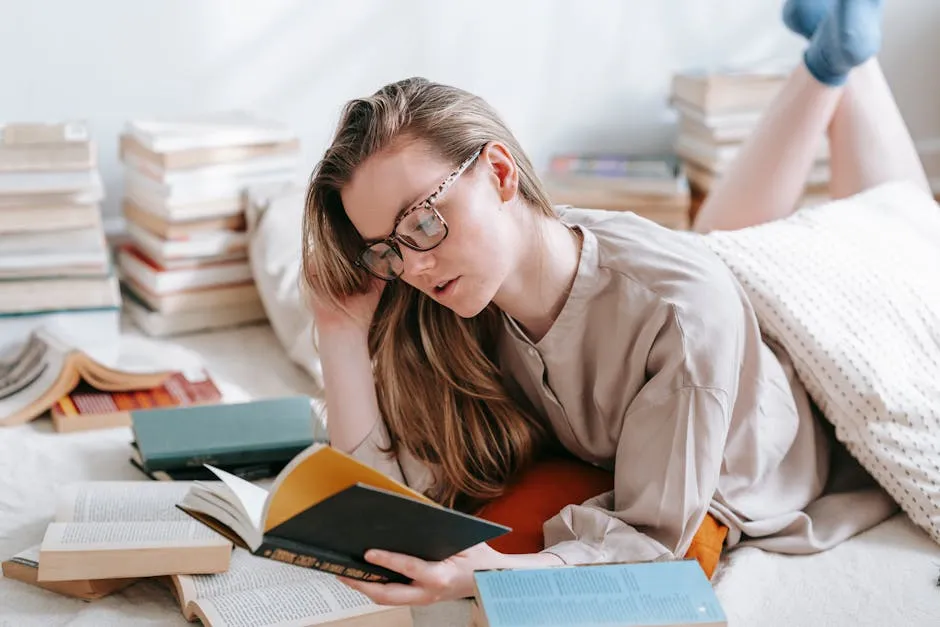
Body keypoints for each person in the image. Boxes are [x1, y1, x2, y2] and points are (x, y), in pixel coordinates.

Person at [302, 0, 927, 605]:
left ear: (499, 173)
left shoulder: (680, 315)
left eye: (424, 221)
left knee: (888, 232)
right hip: (697, 293)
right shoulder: (447, 293)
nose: (412, 265)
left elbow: (652, 537)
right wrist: (340, 328)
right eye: (386, 248)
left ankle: (848, 62)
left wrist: (499, 573)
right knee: (715, 238)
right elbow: (381, 498)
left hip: (792, 382)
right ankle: (831, 59)